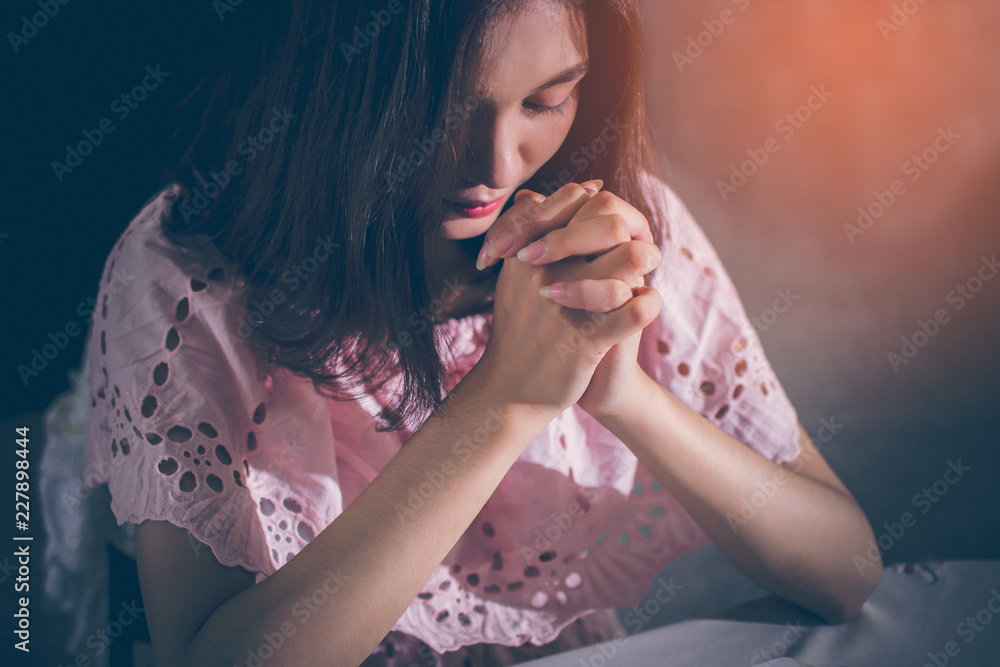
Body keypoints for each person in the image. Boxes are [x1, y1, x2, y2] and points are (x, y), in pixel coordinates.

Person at [82, 0, 882, 665]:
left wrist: (622, 391)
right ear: (331, 84)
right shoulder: (188, 276)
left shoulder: (611, 228)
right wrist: (503, 402)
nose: (497, 165)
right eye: (441, 112)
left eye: (546, 100)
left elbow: (846, 569)